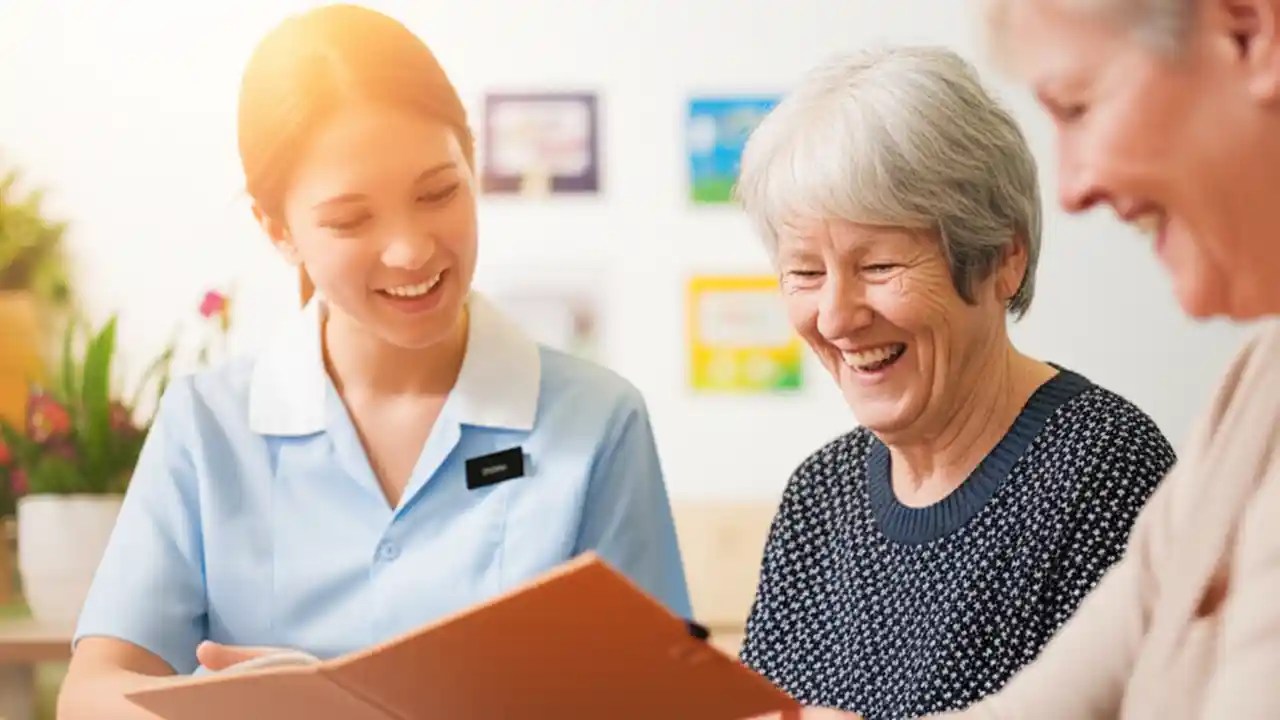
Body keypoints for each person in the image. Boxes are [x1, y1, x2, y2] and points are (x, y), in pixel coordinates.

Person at [56, 5, 690, 718]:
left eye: (438, 193)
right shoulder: (206, 426)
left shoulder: (598, 421)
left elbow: (657, 698)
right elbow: (93, 695)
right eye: (351, 220)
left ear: (473, 165)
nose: (410, 250)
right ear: (278, 230)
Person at [750, 0, 1280, 718]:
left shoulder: (1103, 464)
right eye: (805, 273)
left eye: (1079, 105)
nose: (1071, 187)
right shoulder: (1252, 393)